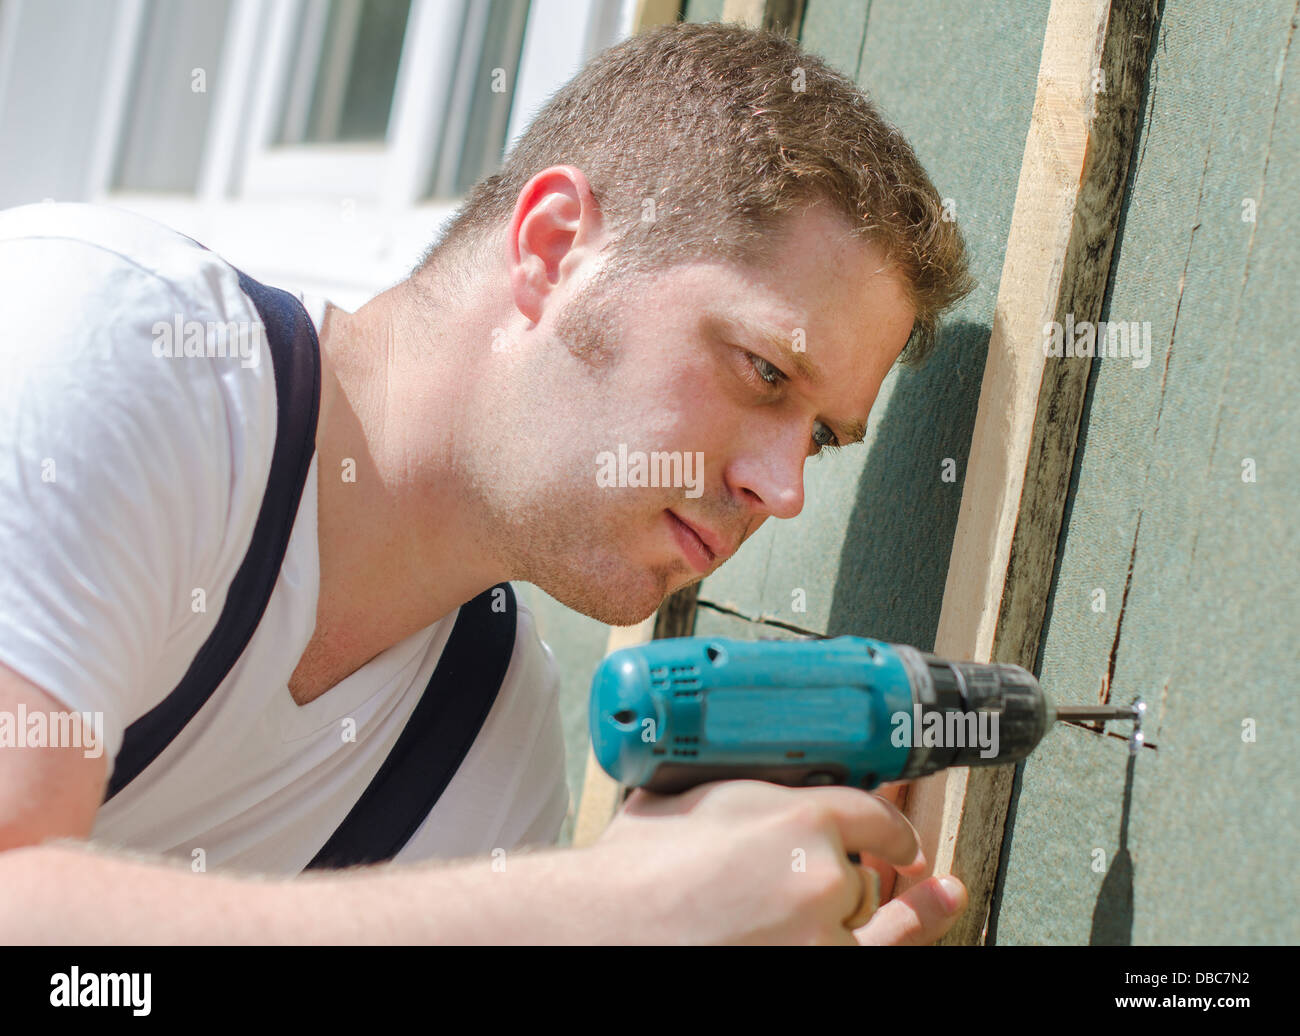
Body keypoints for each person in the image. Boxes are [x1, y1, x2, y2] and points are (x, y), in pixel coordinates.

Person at [0, 21, 975, 944]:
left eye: (822, 439)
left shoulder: (487, 761)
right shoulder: (104, 345)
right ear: (554, 250)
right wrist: (606, 903)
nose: (784, 488)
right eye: (764, 370)